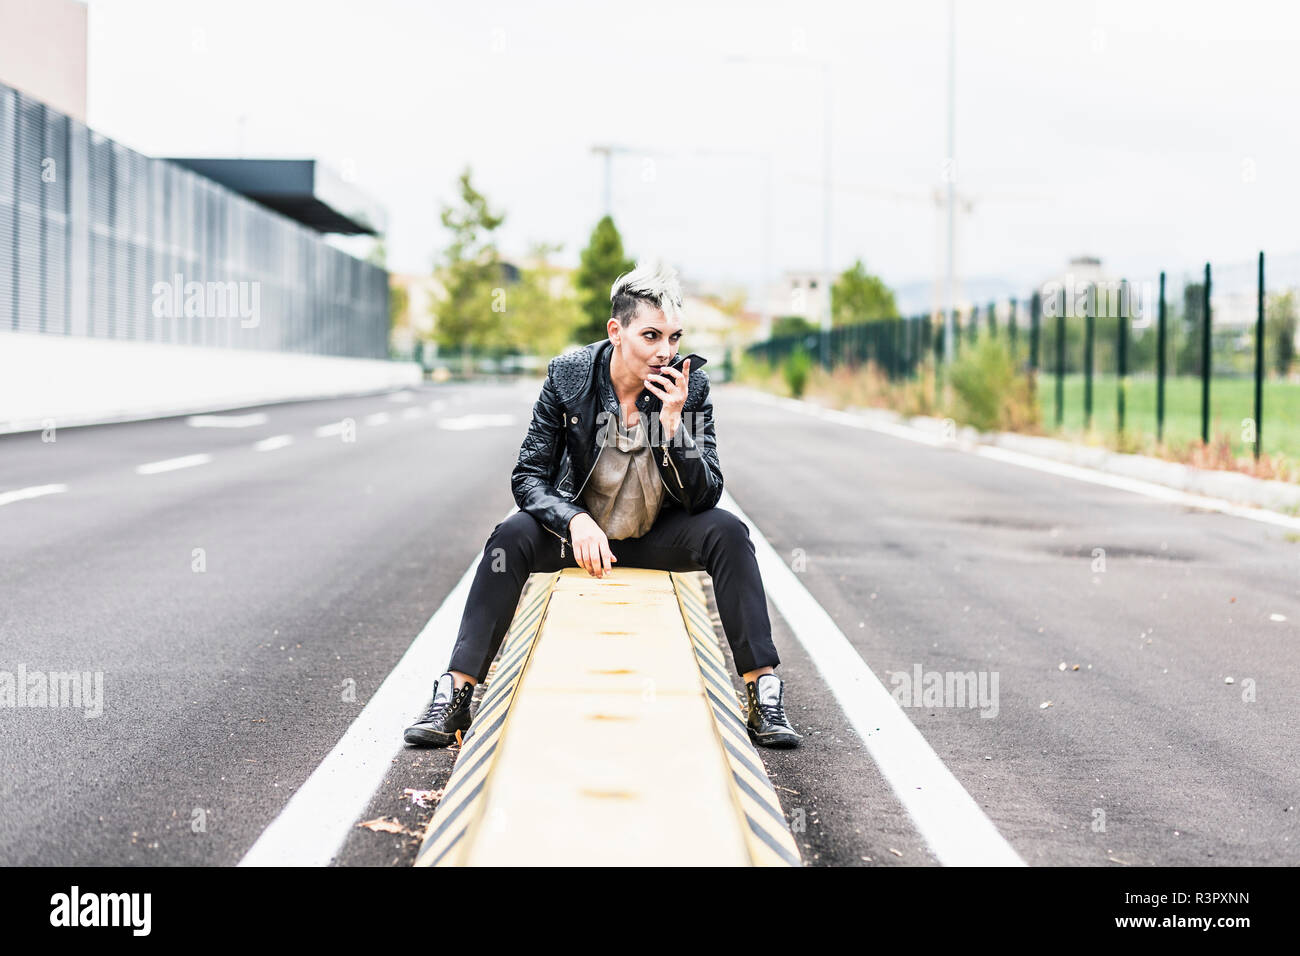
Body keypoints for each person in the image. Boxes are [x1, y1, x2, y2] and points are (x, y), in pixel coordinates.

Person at [403, 257, 801, 749]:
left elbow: (705, 495)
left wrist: (676, 430)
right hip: (582, 541)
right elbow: (528, 476)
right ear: (617, 331)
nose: (665, 352)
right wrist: (573, 520)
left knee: (729, 532)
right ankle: (454, 693)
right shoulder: (569, 378)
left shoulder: (689, 387)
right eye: (650, 336)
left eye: (674, 338)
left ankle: (763, 691)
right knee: (509, 537)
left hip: (656, 534)